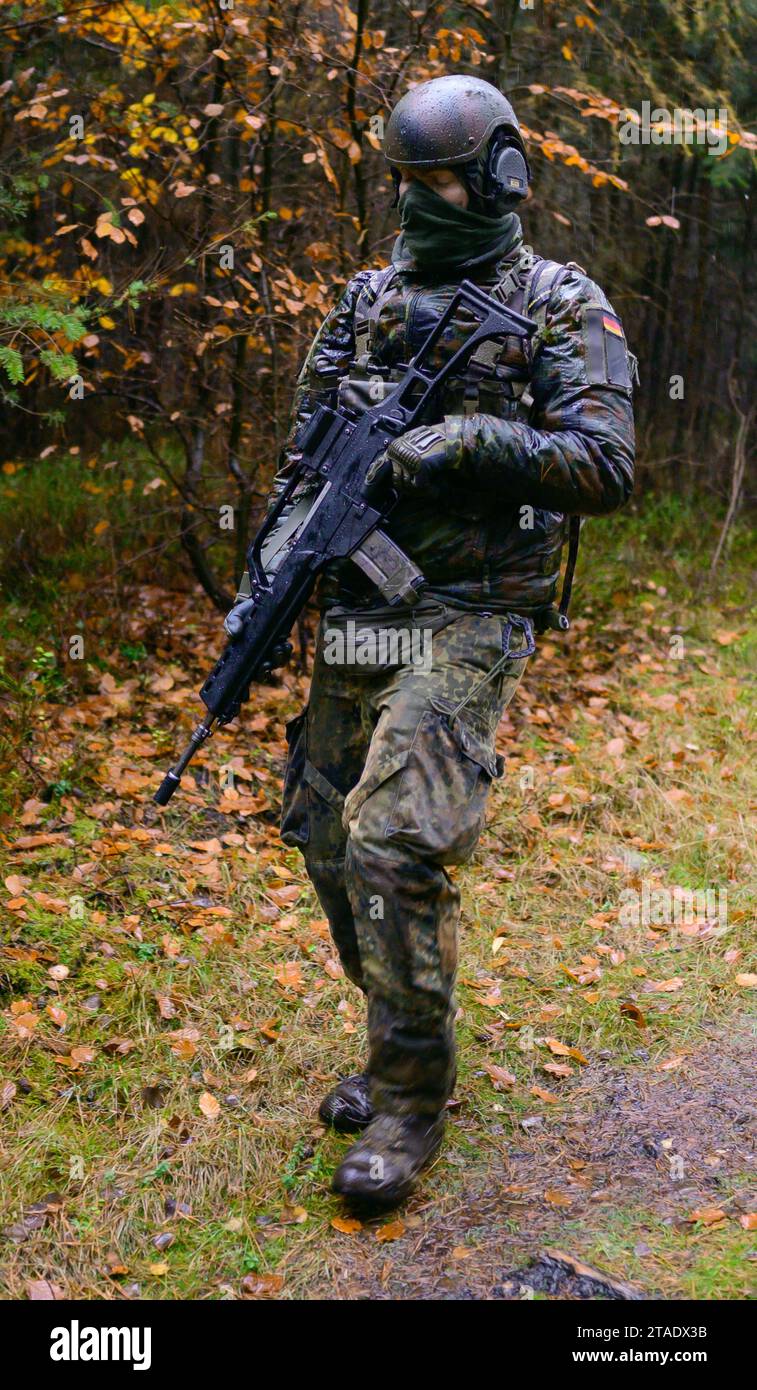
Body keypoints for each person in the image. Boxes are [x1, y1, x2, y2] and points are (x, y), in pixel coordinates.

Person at [228, 75, 635, 1207]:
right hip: (359, 605)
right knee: (320, 829)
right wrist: (270, 574)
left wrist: (461, 443)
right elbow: (304, 459)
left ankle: (412, 1092)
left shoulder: (558, 299)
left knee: (396, 838)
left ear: (500, 174)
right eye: (404, 184)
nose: (418, 204)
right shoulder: (362, 303)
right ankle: (394, 1026)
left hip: (471, 610)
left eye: (439, 180)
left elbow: (604, 465)